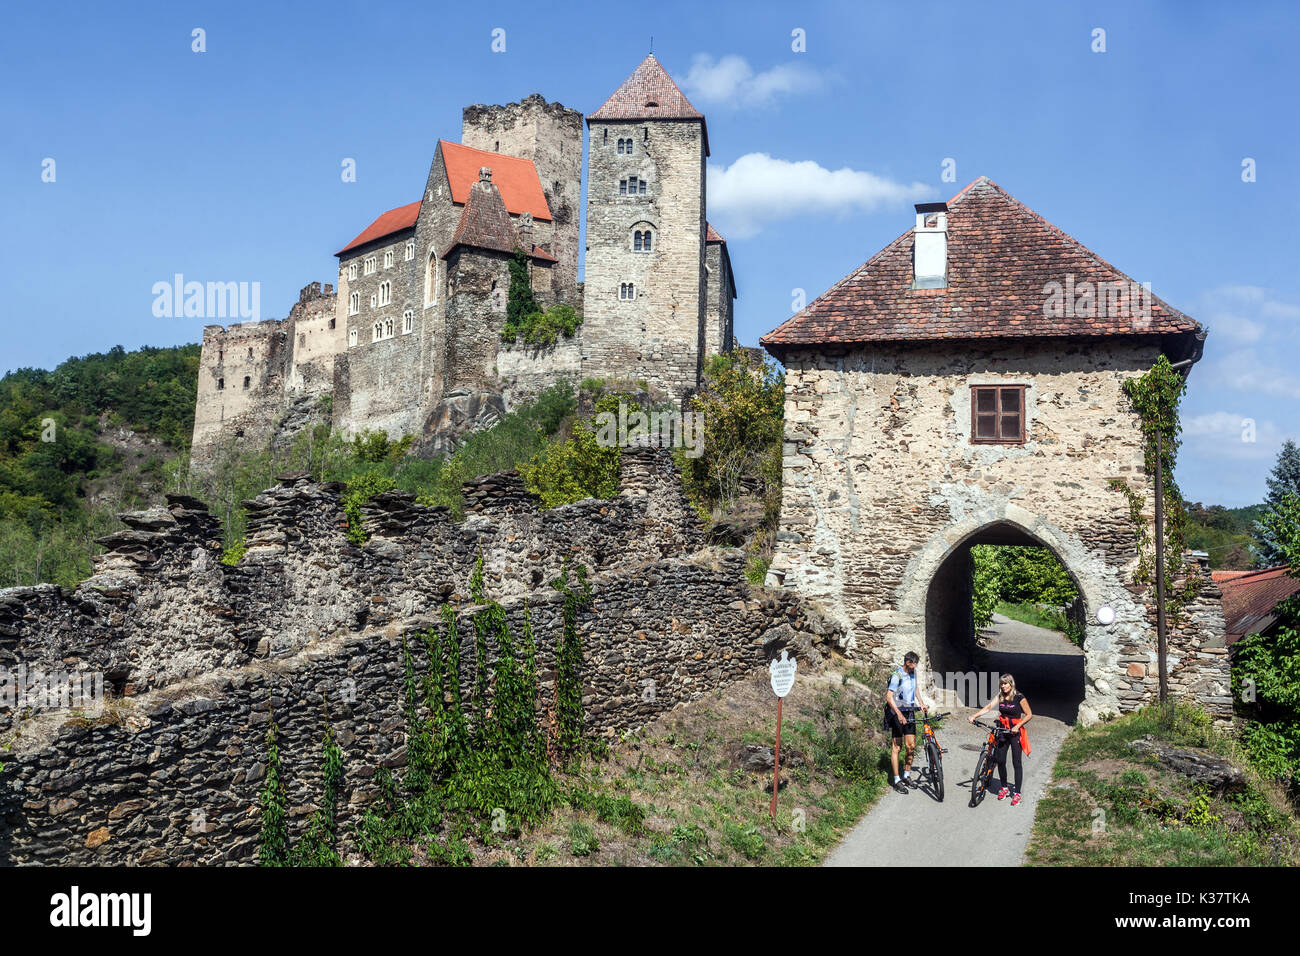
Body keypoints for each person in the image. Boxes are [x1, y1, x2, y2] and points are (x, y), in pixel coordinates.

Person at [969, 673, 1033, 805]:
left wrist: (1018, 726)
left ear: (1011, 683)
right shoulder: (1000, 697)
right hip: (1003, 731)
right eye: (1001, 684)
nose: (1003, 686)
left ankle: (1017, 793)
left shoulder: (1019, 697)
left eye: (1005, 683)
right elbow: (988, 707)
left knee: (1016, 763)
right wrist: (974, 716)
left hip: (1015, 732)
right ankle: (1004, 787)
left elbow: (1029, 714)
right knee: (1001, 760)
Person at [885, 651, 929, 793]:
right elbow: (889, 697)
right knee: (897, 747)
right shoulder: (897, 675)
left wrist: (921, 703)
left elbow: (915, 688)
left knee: (911, 746)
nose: (915, 667)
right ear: (907, 663)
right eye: (914, 664)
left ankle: (906, 775)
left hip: (909, 711)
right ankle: (896, 779)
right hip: (896, 712)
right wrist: (898, 714)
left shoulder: (912, 673)